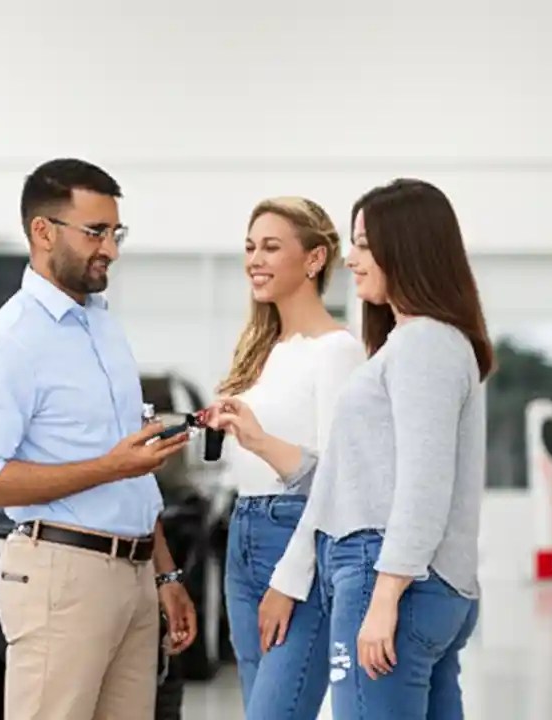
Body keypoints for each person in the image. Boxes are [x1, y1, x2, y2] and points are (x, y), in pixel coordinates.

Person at [203, 178, 493, 719]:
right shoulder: (420, 343)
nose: (352, 259)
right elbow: (355, 474)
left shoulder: (423, 344)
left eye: (363, 244)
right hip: (409, 579)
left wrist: (384, 597)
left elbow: (424, 485)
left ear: (405, 248)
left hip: (389, 576)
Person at [0, 157, 198, 720]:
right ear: (43, 231)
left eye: (116, 233)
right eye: (95, 232)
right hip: (61, 577)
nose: (110, 249)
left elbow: (134, 472)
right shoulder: (9, 342)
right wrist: (110, 466)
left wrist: (165, 573)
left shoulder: (103, 327)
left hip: (134, 576)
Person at [215, 197, 365, 718]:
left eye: (271, 247)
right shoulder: (263, 351)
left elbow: (337, 482)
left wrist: (289, 579)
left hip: (298, 542)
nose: (254, 260)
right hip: (243, 534)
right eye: (250, 247)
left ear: (315, 259)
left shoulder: (338, 351)